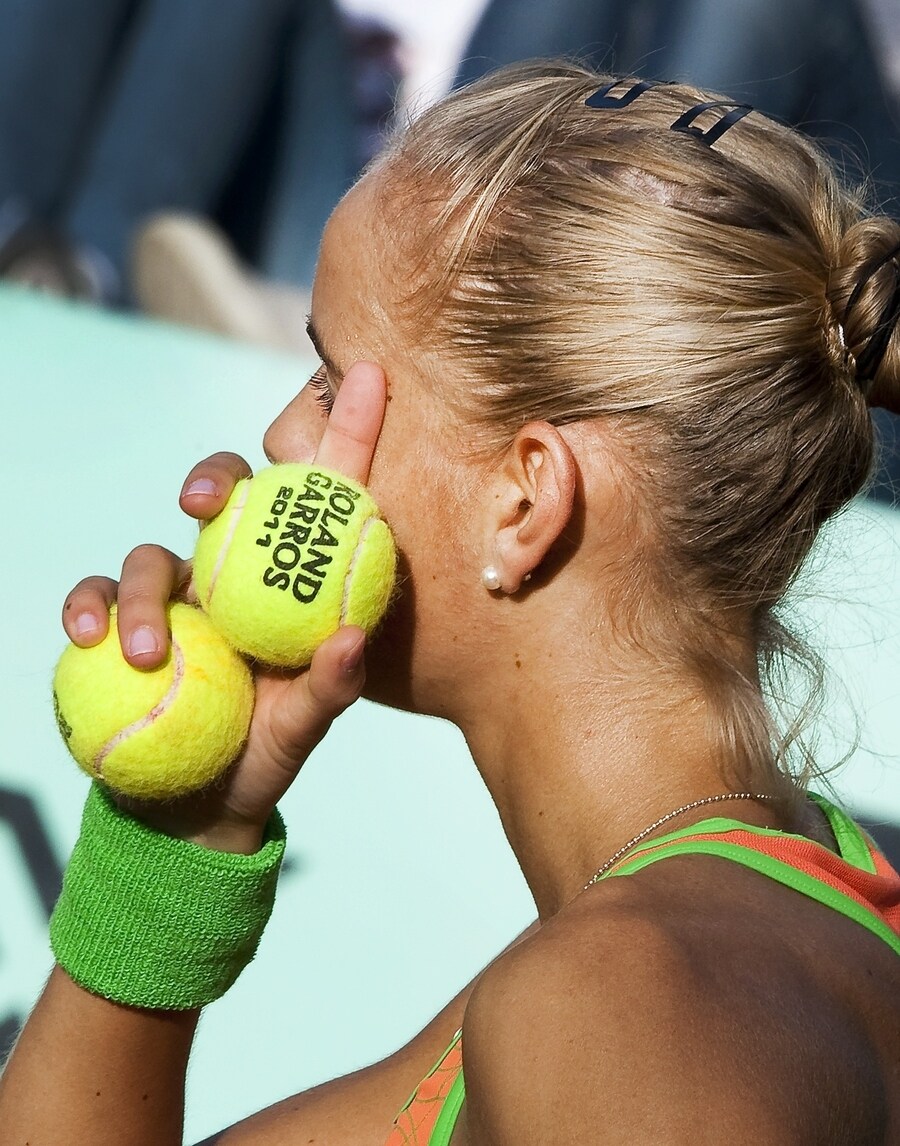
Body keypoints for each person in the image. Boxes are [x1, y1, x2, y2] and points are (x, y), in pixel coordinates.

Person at [2, 61, 900, 1144]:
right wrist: (176, 836)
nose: (288, 440)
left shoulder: (626, 1002)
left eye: (333, 384)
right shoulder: (696, 945)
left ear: (524, 500)